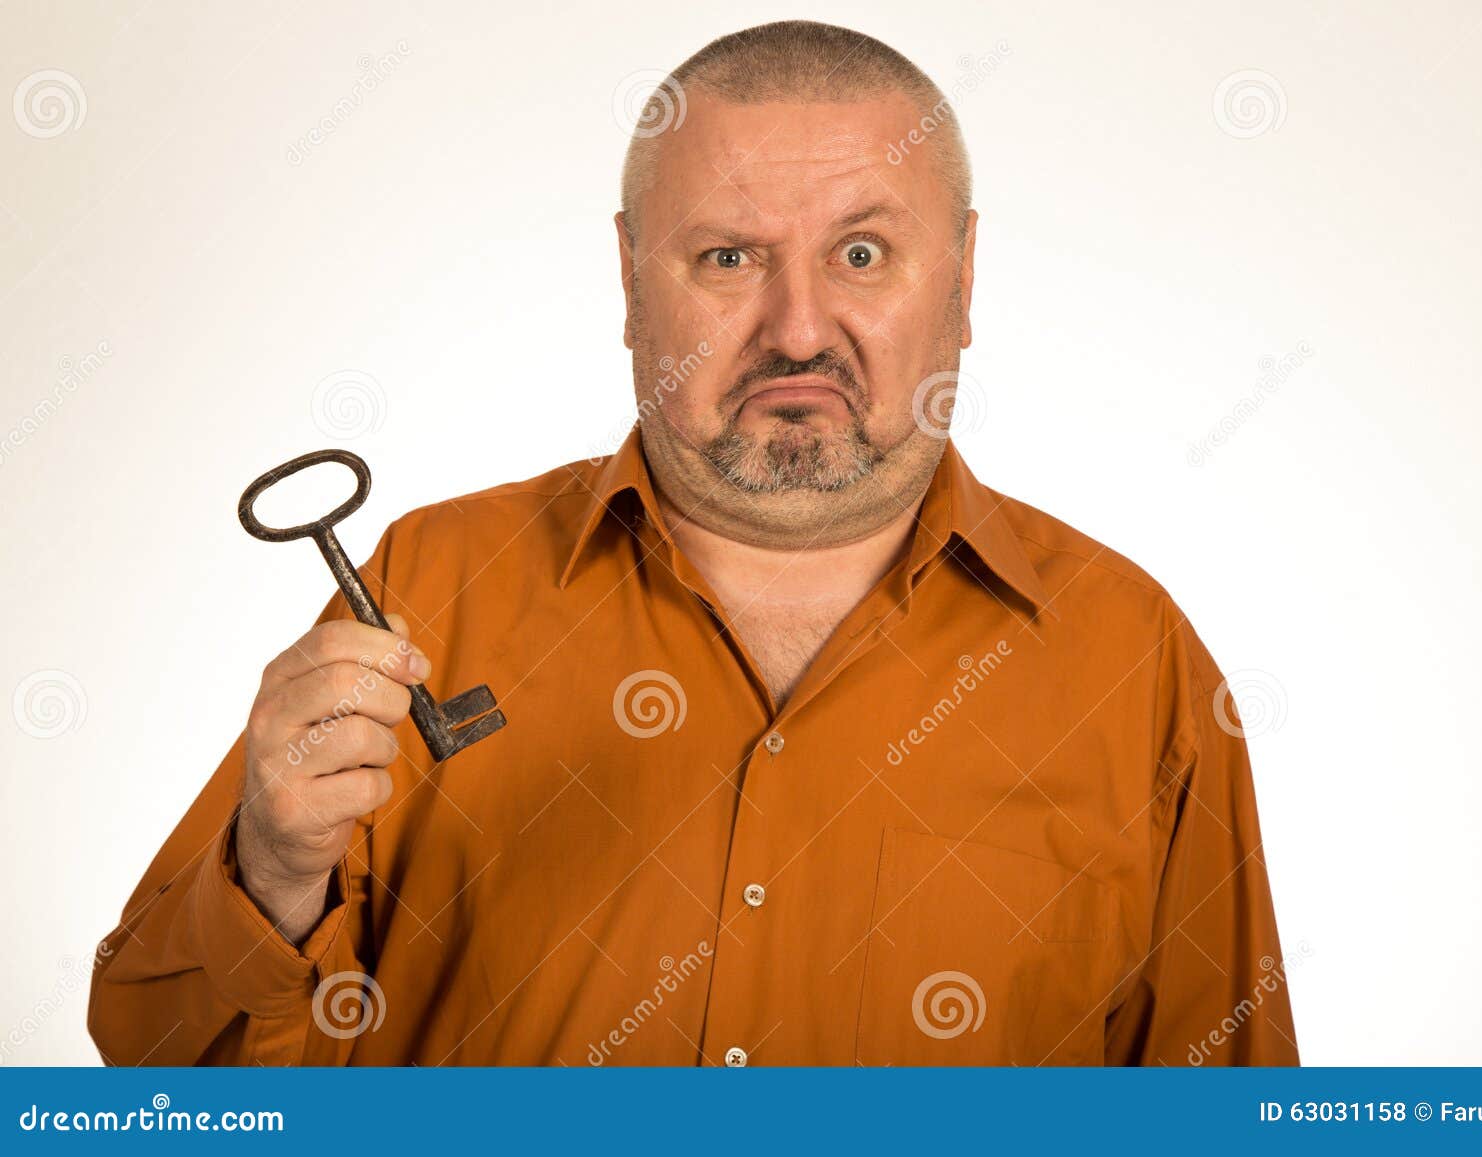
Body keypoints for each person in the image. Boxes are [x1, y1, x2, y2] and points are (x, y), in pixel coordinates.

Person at [88, 19, 1297, 1066]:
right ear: (628, 279)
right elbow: (163, 1078)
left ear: (964, 278)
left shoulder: (1129, 658)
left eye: (861, 254)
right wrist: (273, 874)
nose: (798, 325)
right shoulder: (428, 590)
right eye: (729, 256)